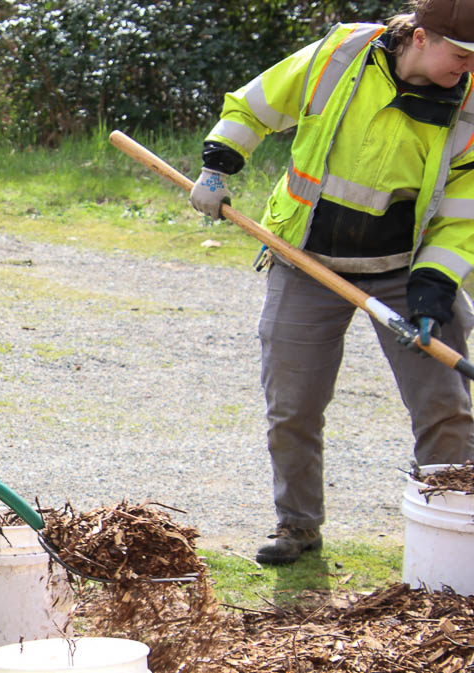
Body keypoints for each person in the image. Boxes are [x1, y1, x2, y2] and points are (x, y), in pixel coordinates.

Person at [189, 0, 474, 565]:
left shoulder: (469, 102)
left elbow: (463, 207)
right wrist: (218, 165)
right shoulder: (340, 53)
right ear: (420, 37)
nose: (467, 69)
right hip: (304, 258)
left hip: (405, 268)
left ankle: (449, 534)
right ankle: (297, 527)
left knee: (445, 406)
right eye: (461, 55)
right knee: (293, 403)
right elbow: (256, 104)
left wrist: (435, 285)